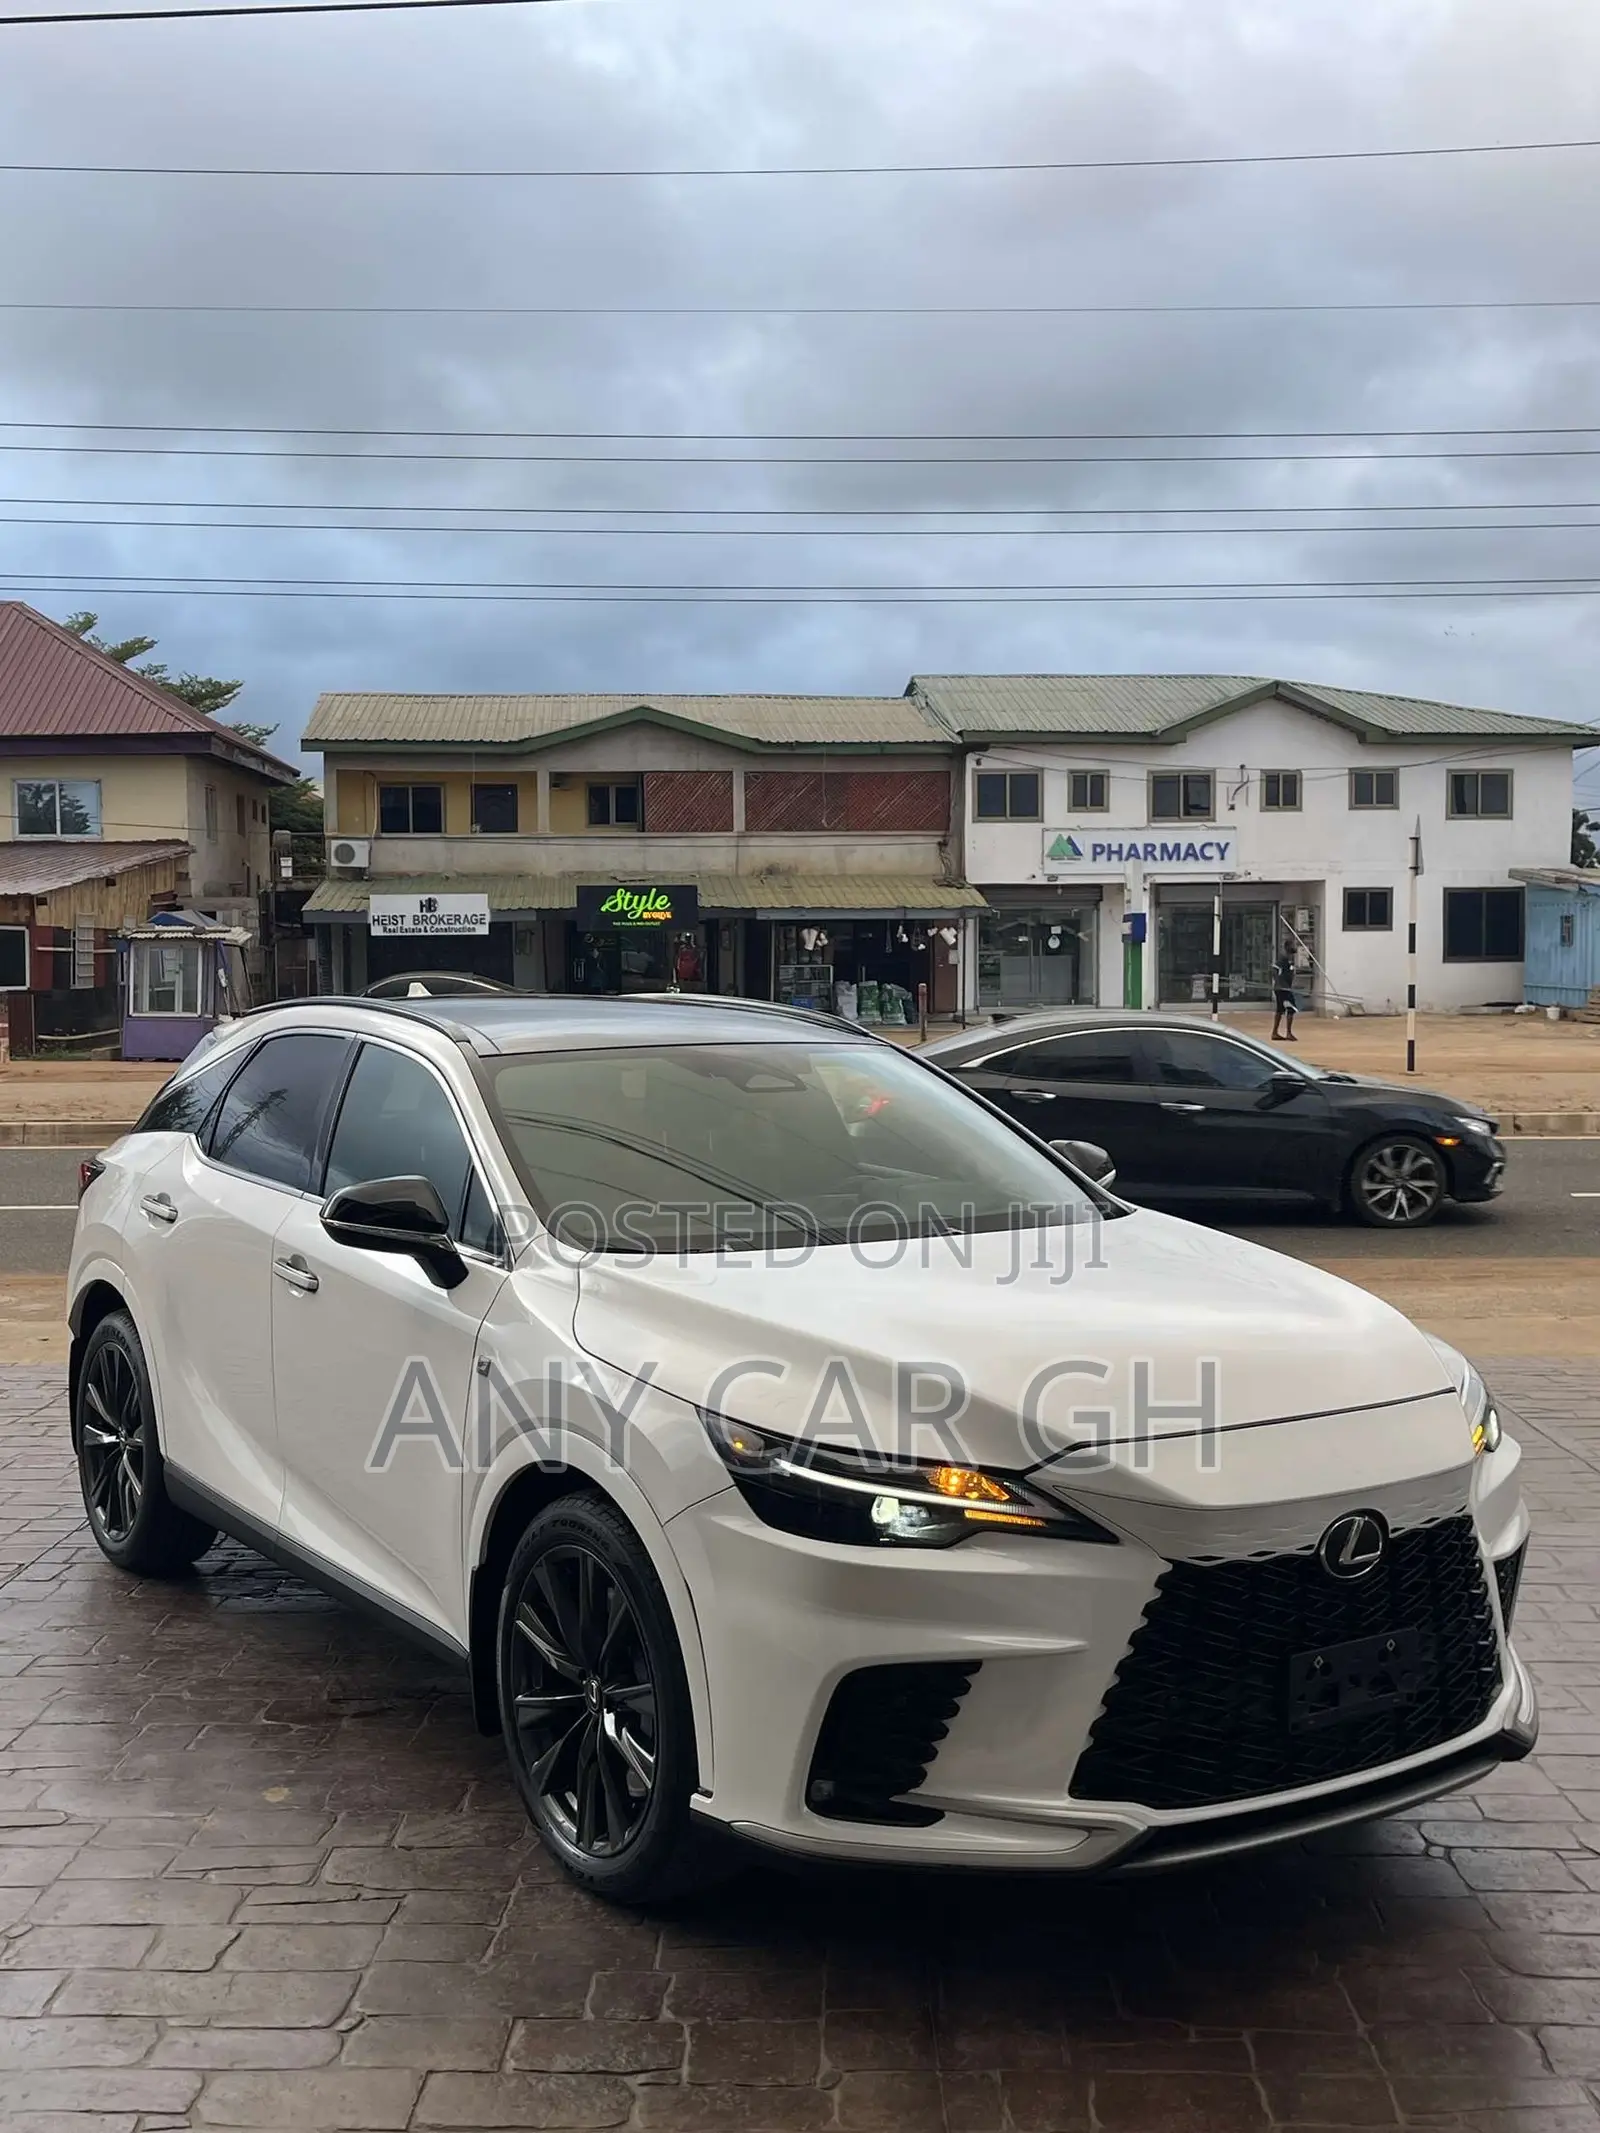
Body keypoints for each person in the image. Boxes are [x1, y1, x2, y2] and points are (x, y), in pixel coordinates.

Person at [1271, 944, 1299, 1042]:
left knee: (1280, 1010)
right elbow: (1274, 970)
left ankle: (1275, 1032)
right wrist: (1280, 982)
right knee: (1291, 1009)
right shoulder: (1283, 960)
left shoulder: (1288, 961)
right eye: (1292, 953)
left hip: (1282, 988)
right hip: (1283, 989)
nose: (1292, 956)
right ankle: (1288, 1033)